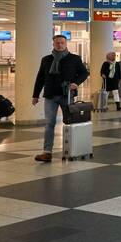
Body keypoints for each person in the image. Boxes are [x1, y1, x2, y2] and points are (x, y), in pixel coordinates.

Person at [32, 34, 89, 162]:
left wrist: (76, 83)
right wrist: (35, 95)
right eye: (57, 42)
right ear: (53, 44)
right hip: (50, 95)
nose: (60, 45)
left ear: (66, 43)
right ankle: (47, 152)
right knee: (49, 123)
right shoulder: (46, 59)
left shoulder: (74, 58)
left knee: (70, 123)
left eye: (62, 42)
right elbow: (40, 77)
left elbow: (84, 73)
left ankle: (72, 150)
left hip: (67, 95)